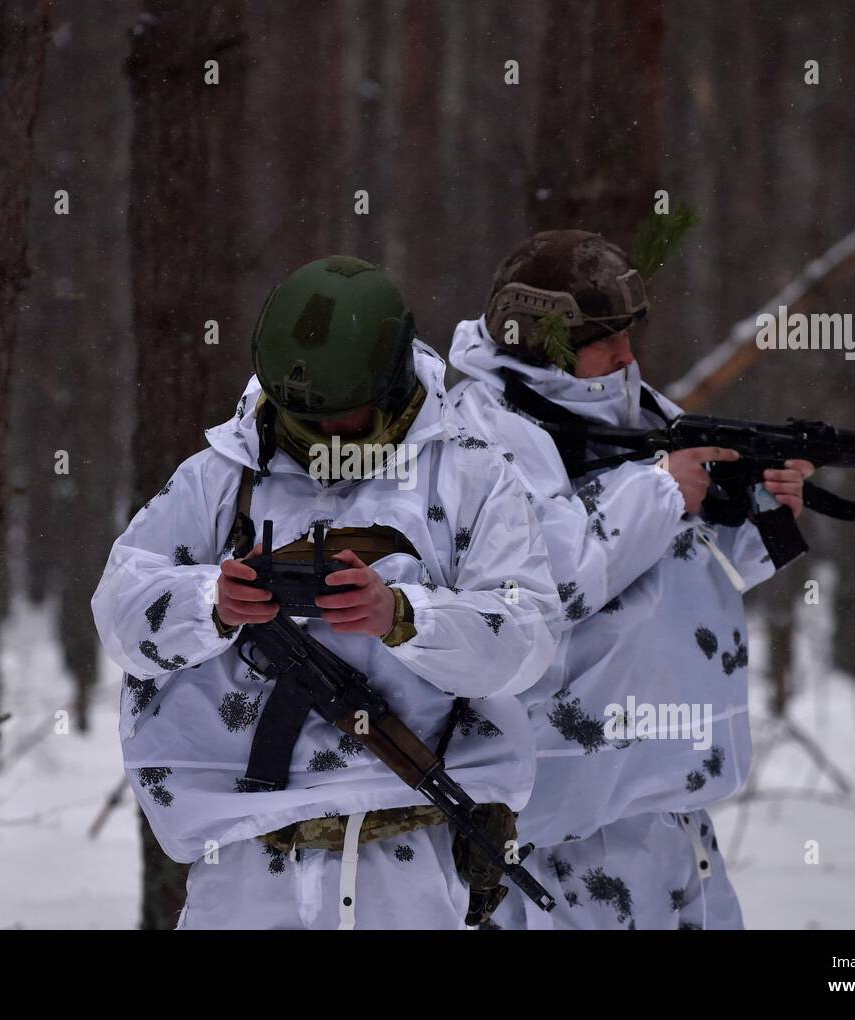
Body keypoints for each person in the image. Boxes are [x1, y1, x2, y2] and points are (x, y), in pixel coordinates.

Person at [92, 255, 560, 929]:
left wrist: (402, 615)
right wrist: (211, 604)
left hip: (409, 849)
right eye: (308, 426)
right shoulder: (220, 479)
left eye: (349, 422)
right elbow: (119, 613)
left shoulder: (468, 476)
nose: (328, 444)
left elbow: (527, 635)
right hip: (247, 858)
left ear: (394, 386)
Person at [447, 229, 813, 929]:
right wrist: (662, 492)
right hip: (555, 824)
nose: (626, 357)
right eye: (603, 341)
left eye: (627, 335)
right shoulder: (482, 431)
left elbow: (697, 566)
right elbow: (547, 580)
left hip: (665, 802)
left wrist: (765, 513)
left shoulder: (630, 407)